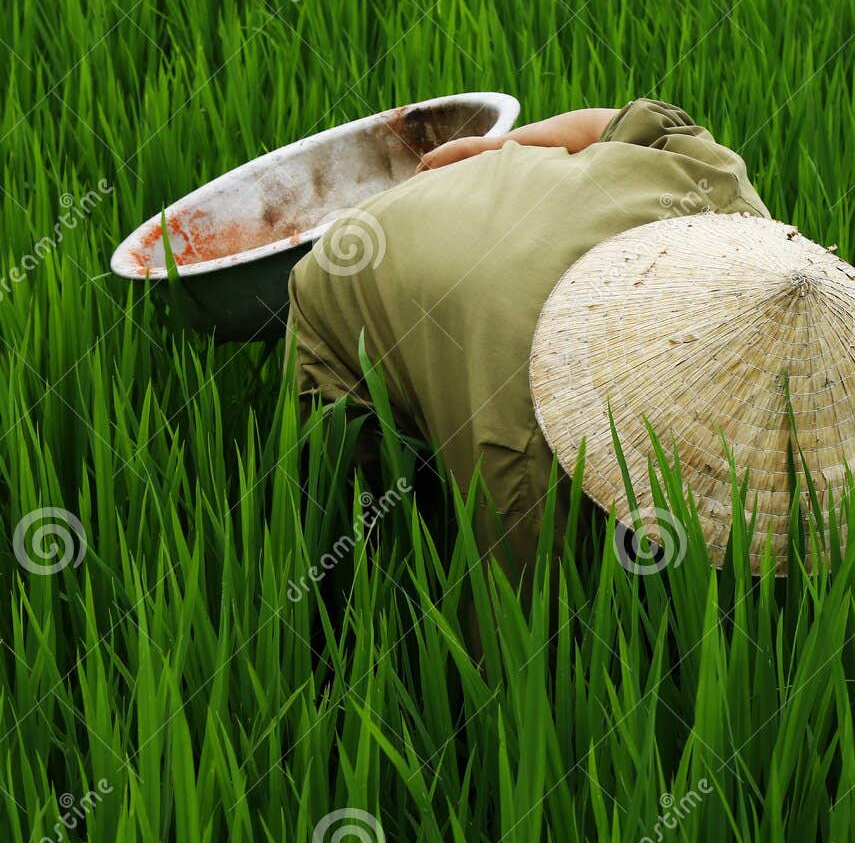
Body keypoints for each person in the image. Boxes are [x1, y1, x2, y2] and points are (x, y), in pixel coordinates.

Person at [287, 100, 770, 575]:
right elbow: (521, 632)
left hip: (461, 215)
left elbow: (611, 121)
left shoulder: (716, 182)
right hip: (348, 279)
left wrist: (492, 148)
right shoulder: (530, 432)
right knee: (358, 533)